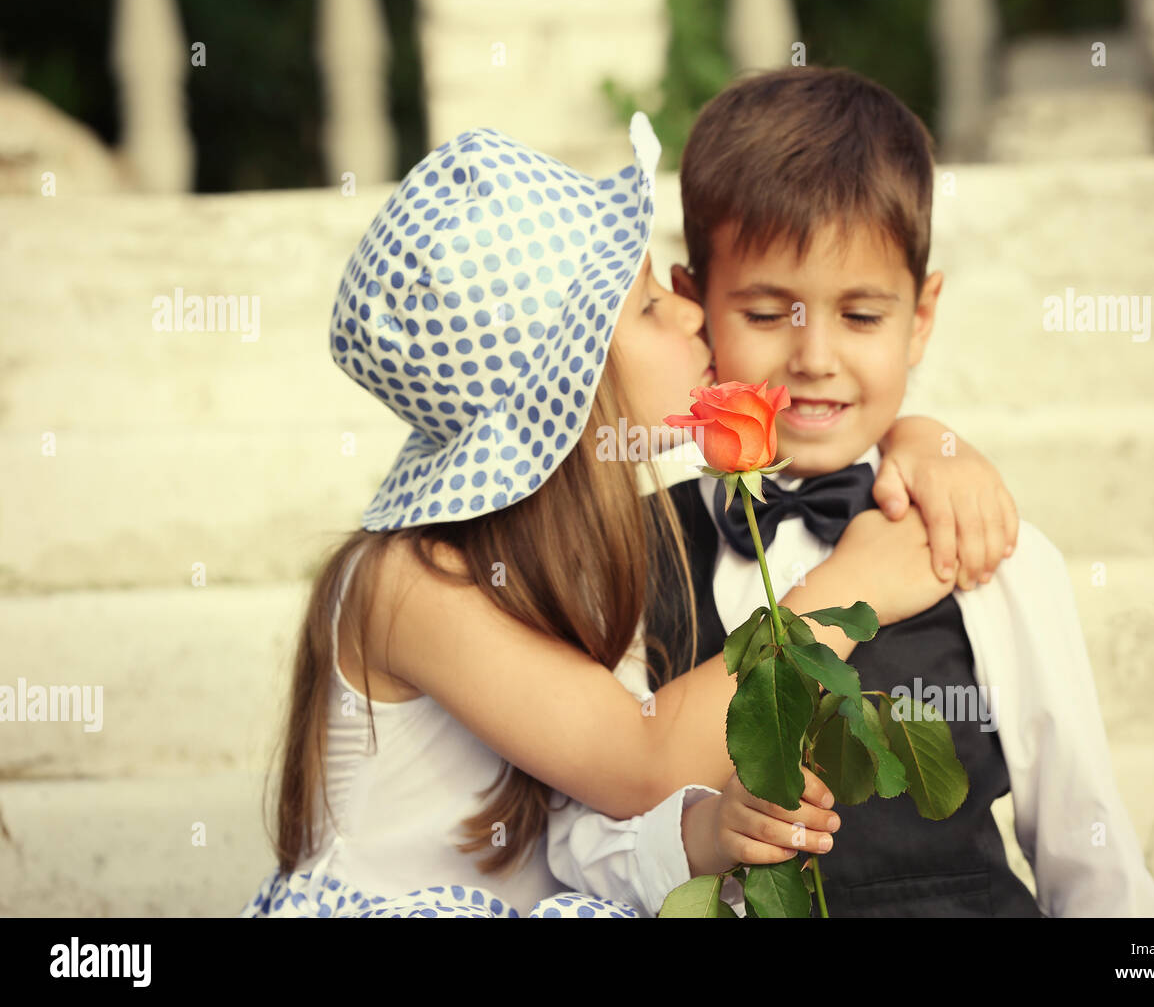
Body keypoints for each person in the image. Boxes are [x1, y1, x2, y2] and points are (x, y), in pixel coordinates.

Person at [242, 112, 1020, 918]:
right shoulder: (409, 584)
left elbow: (821, 415)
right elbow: (640, 758)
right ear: (565, 385)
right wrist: (846, 589)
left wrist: (916, 439)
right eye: (649, 304)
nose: (690, 313)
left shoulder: (586, 543)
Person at [548, 68, 1154, 918]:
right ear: (695, 307)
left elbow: (1084, 837)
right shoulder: (633, 550)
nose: (814, 359)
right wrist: (697, 832)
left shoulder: (982, 545)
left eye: (863, 316)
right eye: (768, 315)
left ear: (920, 319)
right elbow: (579, 838)